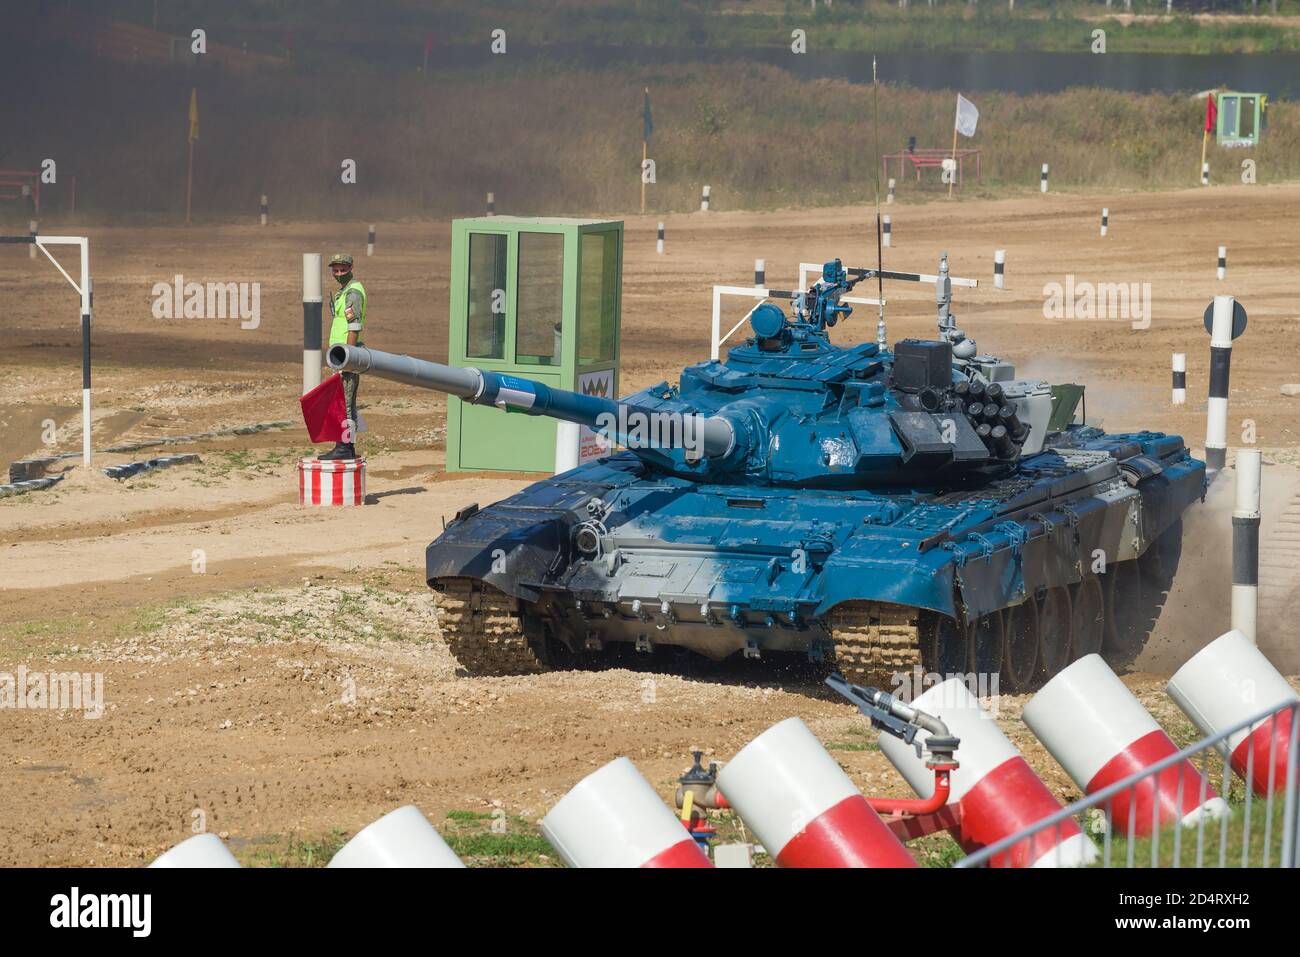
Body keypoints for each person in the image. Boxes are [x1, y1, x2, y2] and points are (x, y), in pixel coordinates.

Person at [320, 252, 366, 461]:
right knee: (342, 401)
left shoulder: (353, 292)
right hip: (340, 356)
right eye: (335, 270)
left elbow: (354, 326)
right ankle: (345, 445)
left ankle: (344, 447)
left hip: (346, 357)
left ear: (351, 268)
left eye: (342, 269)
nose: (338, 273)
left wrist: (348, 357)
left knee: (345, 403)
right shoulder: (344, 292)